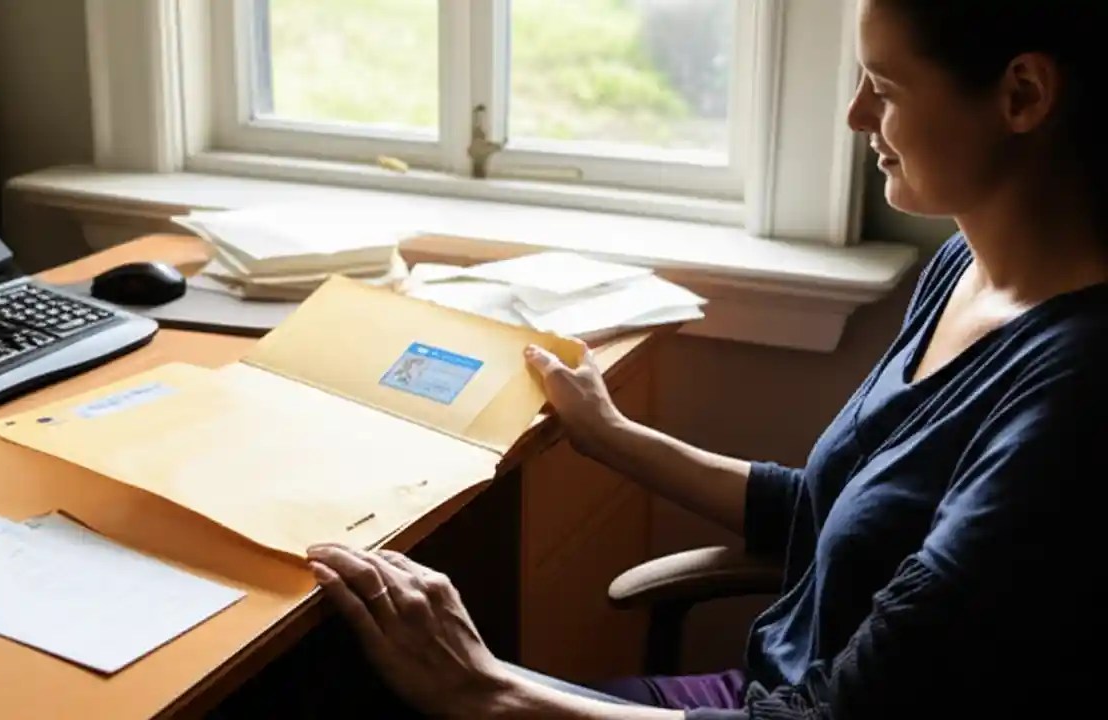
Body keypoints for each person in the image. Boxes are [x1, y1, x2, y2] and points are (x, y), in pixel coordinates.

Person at [306, 0, 1108, 716]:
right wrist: (612, 435)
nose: (857, 115)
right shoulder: (964, 268)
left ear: (1022, 96)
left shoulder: (1073, 393)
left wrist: (489, 691)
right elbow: (842, 515)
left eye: (885, 89)